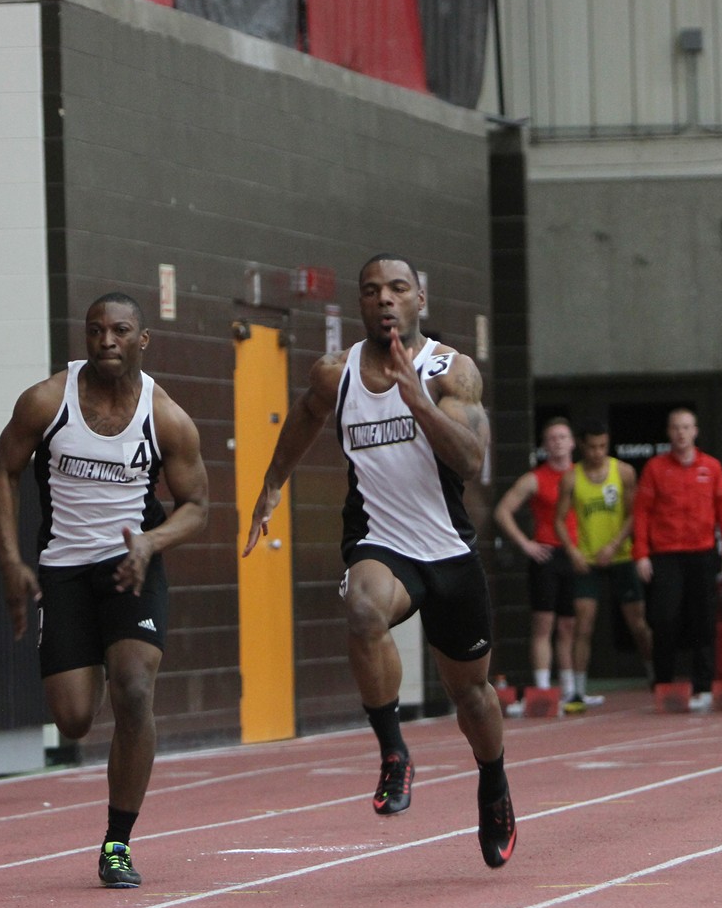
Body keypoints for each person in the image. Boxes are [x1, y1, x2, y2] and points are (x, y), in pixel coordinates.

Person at [242, 253, 516, 868]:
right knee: (363, 609)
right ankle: (394, 751)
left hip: (448, 550)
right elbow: (306, 416)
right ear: (361, 304)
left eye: (397, 289)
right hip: (381, 543)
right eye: (372, 291)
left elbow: (472, 463)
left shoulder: (452, 371)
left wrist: (416, 400)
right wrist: (272, 484)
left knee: (472, 695)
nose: (384, 300)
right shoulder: (334, 374)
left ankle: (493, 781)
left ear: (420, 300)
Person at [0, 292, 209, 888]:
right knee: (76, 720)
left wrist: (151, 545)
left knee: (134, 688)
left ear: (143, 340)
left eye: (119, 330)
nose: (106, 340)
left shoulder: (164, 417)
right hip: (63, 569)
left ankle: (117, 841)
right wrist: (11, 561)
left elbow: (197, 506)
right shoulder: (46, 401)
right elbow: (3, 473)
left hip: (130, 567)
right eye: (95, 331)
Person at [633, 407, 722, 712]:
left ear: (695, 432)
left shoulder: (712, 467)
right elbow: (641, 512)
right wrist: (641, 553)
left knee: (704, 621)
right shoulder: (655, 468)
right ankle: (664, 683)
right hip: (665, 554)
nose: (681, 433)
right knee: (664, 618)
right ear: (669, 432)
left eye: (687, 427)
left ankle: (703, 685)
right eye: (676, 427)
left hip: (702, 553)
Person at [555, 418, 653, 705]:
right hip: (587, 558)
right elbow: (559, 520)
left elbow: (635, 514)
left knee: (637, 623)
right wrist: (572, 551)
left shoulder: (622, 472)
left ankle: (655, 676)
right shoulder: (572, 477)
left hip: (620, 555)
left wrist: (614, 544)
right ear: (582, 446)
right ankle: (577, 689)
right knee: (583, 625)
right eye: (592, 447)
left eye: (602, 446)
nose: (598, 452)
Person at [493, 417, 578, 707]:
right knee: (544, 623)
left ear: (572, 443)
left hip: (576, 554)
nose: (558, 443)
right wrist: (526, 544)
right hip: (547, 555)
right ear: (544, 445)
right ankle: (543, 687)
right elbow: (503, 510)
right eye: (552, 438)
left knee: (570, 625)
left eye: (563, 437)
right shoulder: (535, 478)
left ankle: (571, 689)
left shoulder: (582, 476)